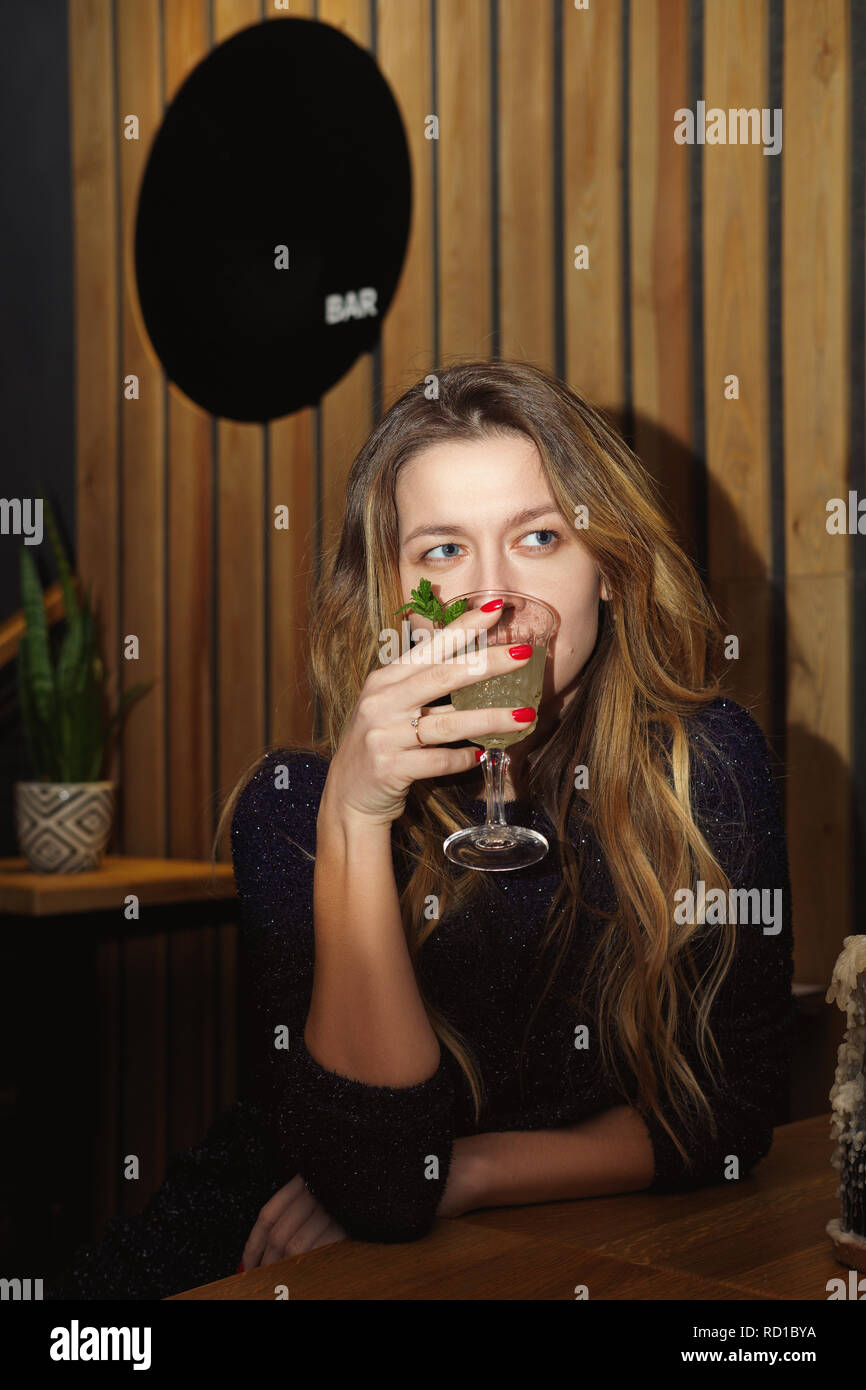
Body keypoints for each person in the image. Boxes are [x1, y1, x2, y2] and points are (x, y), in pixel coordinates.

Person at [44, 359, 794, 1299]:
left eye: (538, 535)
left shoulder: (706, 767)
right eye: (442, 551)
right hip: (257, 1253)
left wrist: (468, 1171)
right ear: (394, 597)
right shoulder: (294, 804)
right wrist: (355, 820)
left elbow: (726, 1116)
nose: (492, 596)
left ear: (606, 565)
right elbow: (384, 1183)